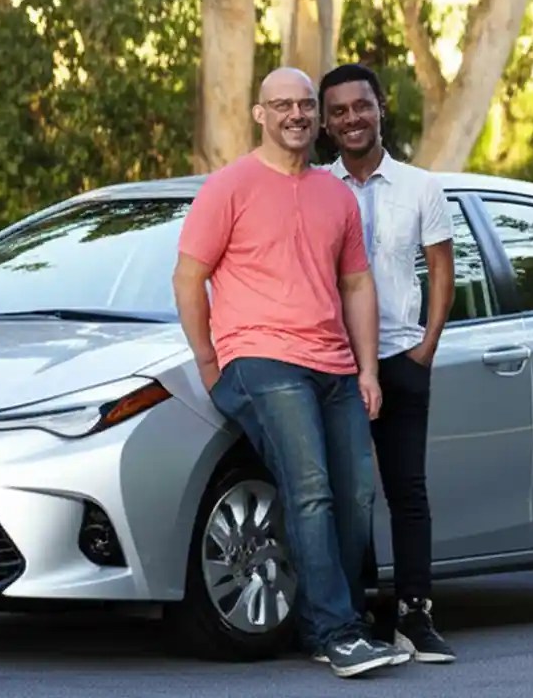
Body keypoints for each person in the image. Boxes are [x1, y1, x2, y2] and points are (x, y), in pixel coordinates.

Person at [172, 66, 408, 678]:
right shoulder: (229, 187)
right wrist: (208, 359)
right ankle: (338, 631)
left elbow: (356, 284)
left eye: (305, 105)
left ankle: (330, 621)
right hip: (263, 358)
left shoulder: (335, 195)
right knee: (311, 490)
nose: (296, 116)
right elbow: (189, 277)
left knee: (356, 494)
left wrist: (368, 370)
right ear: (260, 114)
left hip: (333, 365)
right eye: (282, 106)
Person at [318, 62, 457, 664]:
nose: (352, 118)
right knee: (350, 493)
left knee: (407, 490)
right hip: (335, 361)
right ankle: (361, 614)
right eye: (340, 110)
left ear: (381, 109)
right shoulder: (316, 189)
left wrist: (425, 349)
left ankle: (414, 616)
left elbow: (442, 270)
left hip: (402, 354)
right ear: (326, 123)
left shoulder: (422, 187)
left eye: (362, 106)